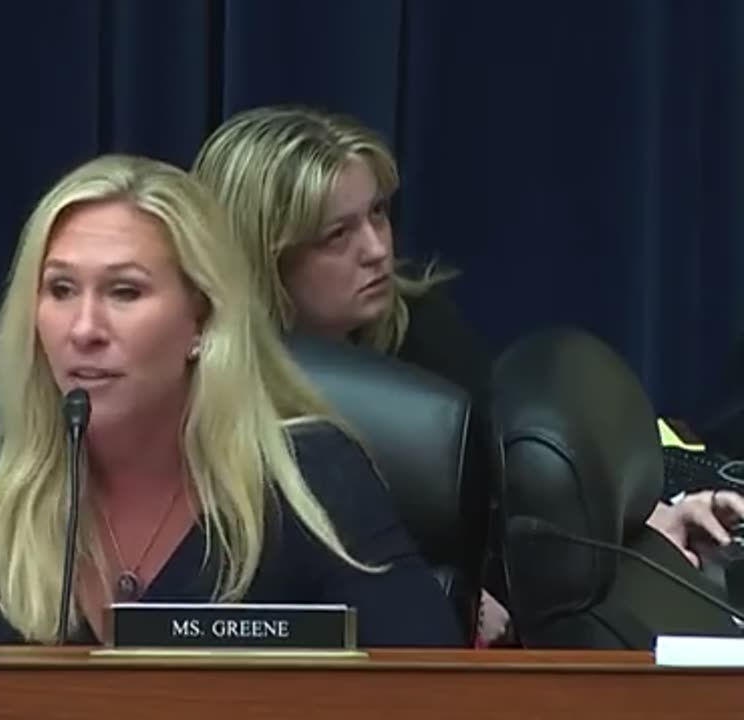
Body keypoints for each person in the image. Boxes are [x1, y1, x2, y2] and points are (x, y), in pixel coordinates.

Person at [190, 104, 744, 644]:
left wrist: (654, 519)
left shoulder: (420, 327)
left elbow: (517, 499)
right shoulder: (213, 397)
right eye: (338, 235)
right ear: (263, 254)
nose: (377, 249)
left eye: (378, 213)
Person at [0, 153, 463, 647]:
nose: (84, 328)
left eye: (125, 291)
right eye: (61, 289)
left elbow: (438, 694)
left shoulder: (310, 476)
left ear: (204, 319)